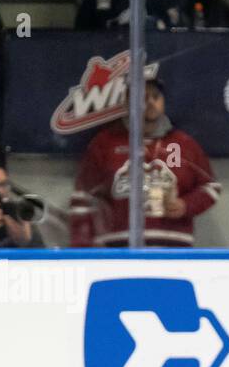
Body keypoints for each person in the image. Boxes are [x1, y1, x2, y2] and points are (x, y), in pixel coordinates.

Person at [69, 78, 221, 248]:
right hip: (118, 248)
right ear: (127, 103)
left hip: (174, 247)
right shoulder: (104, 143)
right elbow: (83, 196)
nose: (150, 102)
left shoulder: (184, 144)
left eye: (156, 96)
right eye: (142, 97)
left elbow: (211, 186)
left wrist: (185, 205)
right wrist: (83, 246)